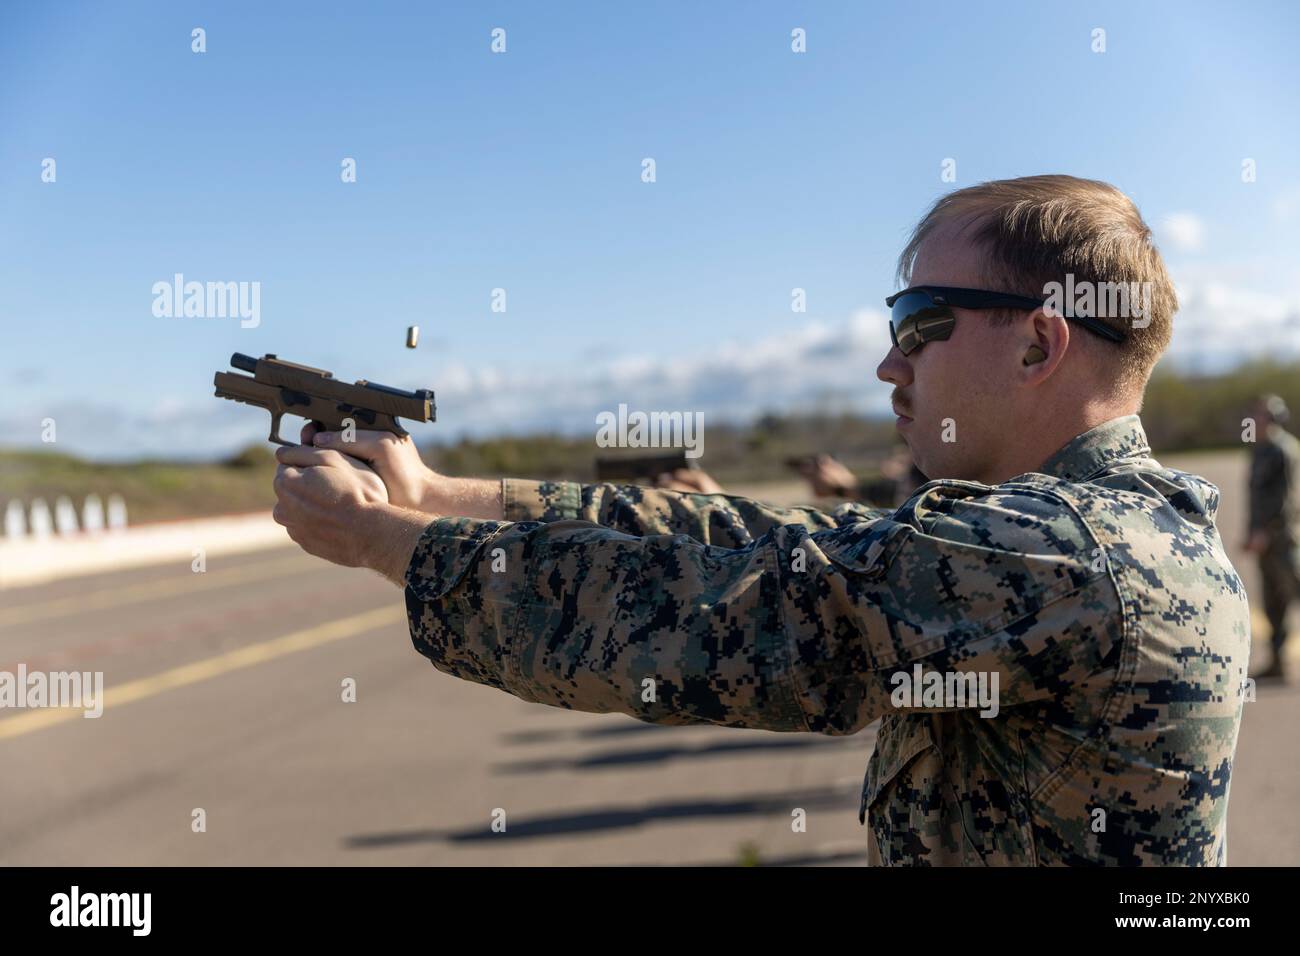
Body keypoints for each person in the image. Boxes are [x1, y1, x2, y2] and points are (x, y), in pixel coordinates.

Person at [270, 175, 1250, 865]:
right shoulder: (1066, 524)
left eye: (919, 323)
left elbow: (734, 608)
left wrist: (384, 541)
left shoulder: (1072, 549)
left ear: (1040, 342)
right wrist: (432, 494)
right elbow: (757, 539)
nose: (890, 364)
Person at [1245, 394, 1300, 680]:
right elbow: (1257, 498)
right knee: (1272, 602)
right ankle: (1278, 663)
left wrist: (1267, 532)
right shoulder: (1259, 450)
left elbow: (1284, 501)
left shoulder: (1283, 450)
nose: (1255, 420)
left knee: (1294, 592)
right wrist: (1252, 531)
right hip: (1264, 541)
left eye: (1261, 415)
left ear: (1275, 418)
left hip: (1282, 540)